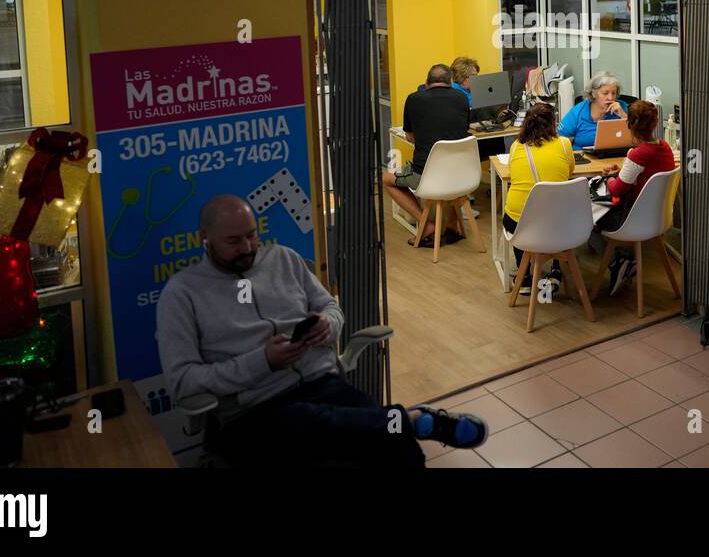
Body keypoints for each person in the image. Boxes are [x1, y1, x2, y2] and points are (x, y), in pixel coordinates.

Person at [156, 194, 487, 467]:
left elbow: (331, 308)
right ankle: (407, 421)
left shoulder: (284, 259)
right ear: (205, 239)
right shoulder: (183, 294)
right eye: (233, 241)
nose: (247, 247)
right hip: (254, 409)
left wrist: (328, 325)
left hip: (323, 384)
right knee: (306, 421)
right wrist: (264, 361)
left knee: (401, 454)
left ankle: (404, 424)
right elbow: (184, 382)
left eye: (252, 234)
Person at [593, 100, 677, 296]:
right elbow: (644, 176)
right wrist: (622, 172)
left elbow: (617, 190)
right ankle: (623, 259)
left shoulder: (638, 155)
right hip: (658, 219)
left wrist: (609, 178)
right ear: (655, 124)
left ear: (629, 124)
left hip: (631, 220)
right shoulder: (664, 148)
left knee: (585, 215)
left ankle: (617, 262)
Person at [383, 64, 470, 247]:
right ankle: (452, 227)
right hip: (462, 177)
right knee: (449, 176)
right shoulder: (462, 97)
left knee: (386, 179)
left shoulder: (414, 99)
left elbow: (410, 136)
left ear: (426, 83)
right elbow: (464, 129)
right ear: (451, 82)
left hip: (426, 175)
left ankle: (426, 223)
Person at [504, 103, 574, 296]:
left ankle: (524, 275)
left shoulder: (516, 146)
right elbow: (570, 171)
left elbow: (512, 173)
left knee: (515, 215)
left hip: (522, 224)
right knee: (561, 213)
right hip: (558, 224)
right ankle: (557, 269)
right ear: (553, 123)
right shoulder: (564, 143)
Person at [558, 73, 627, 149]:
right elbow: (559, 138)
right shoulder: (578, 111)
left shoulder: (622, 107)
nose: (610, 98)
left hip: (615, 157)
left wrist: (623, 115)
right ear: (593, 94)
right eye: (605, 93)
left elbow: (638, 136)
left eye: (613, 93)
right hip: (583, 157)